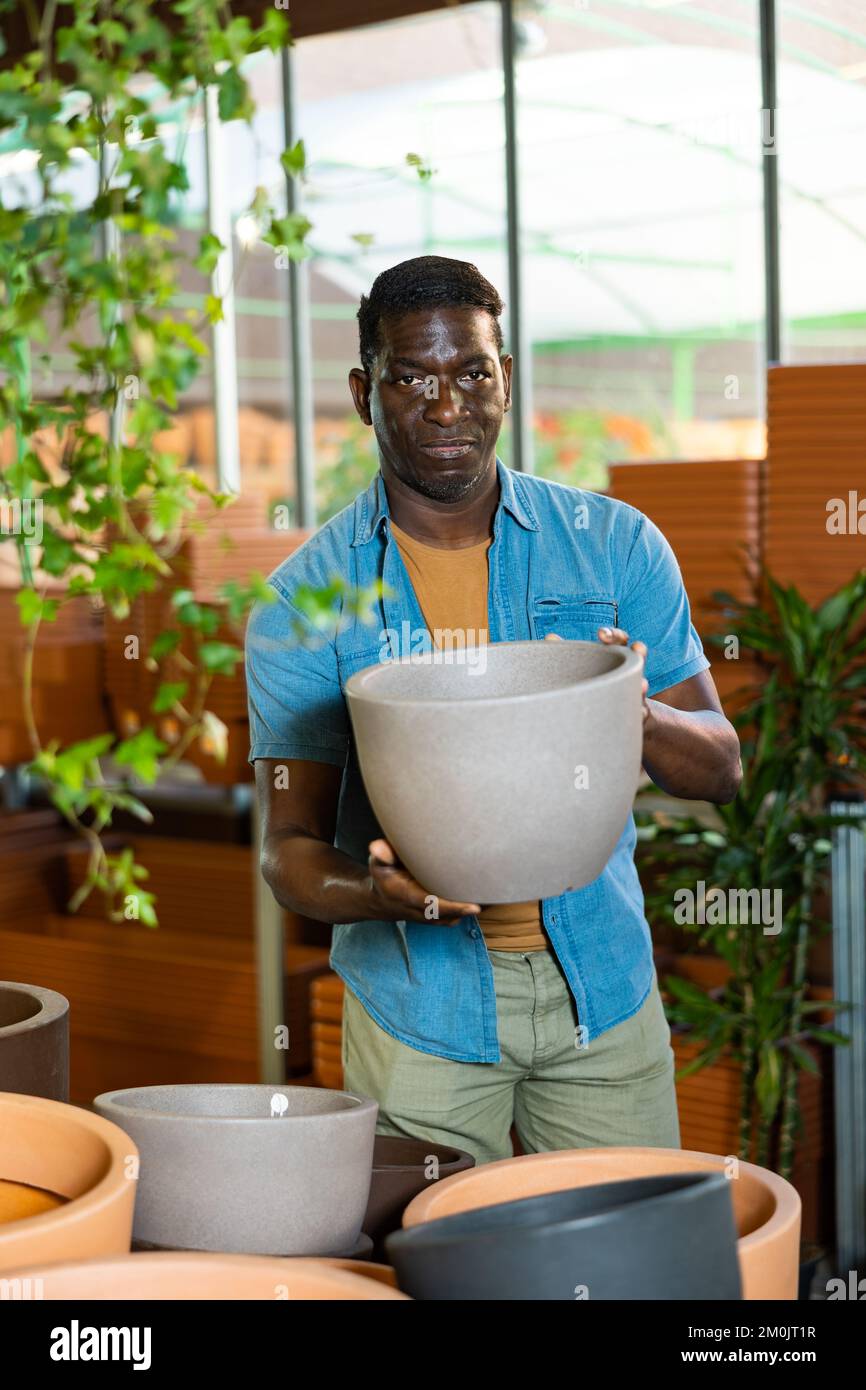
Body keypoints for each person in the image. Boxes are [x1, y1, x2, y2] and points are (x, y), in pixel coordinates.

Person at [245, 255, 742, 1164]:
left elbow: (722, 766)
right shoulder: (302, 603)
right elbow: (288, 854)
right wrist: (376, 894)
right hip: (418, 1013)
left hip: (600, 989)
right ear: (365, 394)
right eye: (412, 378)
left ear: (505, 380)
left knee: (633, 1262)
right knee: (439, 1269)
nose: (447, 406)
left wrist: (628, 710)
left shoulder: (615, 546)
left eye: (473, 372)